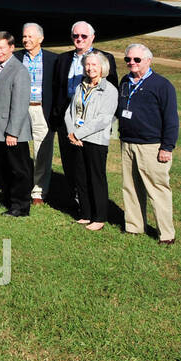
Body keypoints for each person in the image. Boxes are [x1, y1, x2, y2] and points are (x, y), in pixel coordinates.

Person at [117, 44, 179, 244]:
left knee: (157, 189)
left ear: (148, 61)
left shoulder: (162, 85)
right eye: (128, 59)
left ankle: (166, 234)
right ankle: (134, 227)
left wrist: (167, 147)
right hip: (128, 144)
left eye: (136, 60)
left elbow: (171, 119)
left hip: (152, 146)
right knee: (131, 187)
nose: (131, 63)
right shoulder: (125, 81)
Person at [57, 20, 119, 211]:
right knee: (72, 165)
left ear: (92, 37)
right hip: (70, 119)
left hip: (93, 124)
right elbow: (58, 90)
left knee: (93, 170)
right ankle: (79, 202)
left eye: (84, 36)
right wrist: (71, 130)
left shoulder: (105, 58)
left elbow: (110, 97)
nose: (79, 39)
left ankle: (96, 210)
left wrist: (82, 132)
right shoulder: (63, 59)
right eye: (76, 36)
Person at [63, 52, 118, 231]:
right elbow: (69, 111)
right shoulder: (81, 86)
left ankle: (99, 217)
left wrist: (79, 134)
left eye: (94, 65)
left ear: (103, 67)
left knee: (96, 178)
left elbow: (103, 119)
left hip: (95, 140)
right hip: (77, 139)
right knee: (81, 178)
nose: (90, 68)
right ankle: (85, 214)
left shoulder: (109, 90)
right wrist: (72, 132)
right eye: (87, 65)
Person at [15, 22, 64, 211]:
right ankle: (20, 185)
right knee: (18, 150)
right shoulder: (17, 58)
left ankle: (38, 192)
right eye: (24, 36)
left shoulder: (53, 60)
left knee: (42, 153)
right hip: (20, 110)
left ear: (41, 39)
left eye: (30, 36)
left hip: (42, 110)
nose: (26, 40)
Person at [0, 32, 33, 217]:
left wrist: (13, 132)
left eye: (2, 48)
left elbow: (20, 105)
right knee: (6, 167)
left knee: (19, 169)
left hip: (12, 131)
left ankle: (21, 207)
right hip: (0, 128)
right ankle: (11, 200)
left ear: (12, 47)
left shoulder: (18, 70)